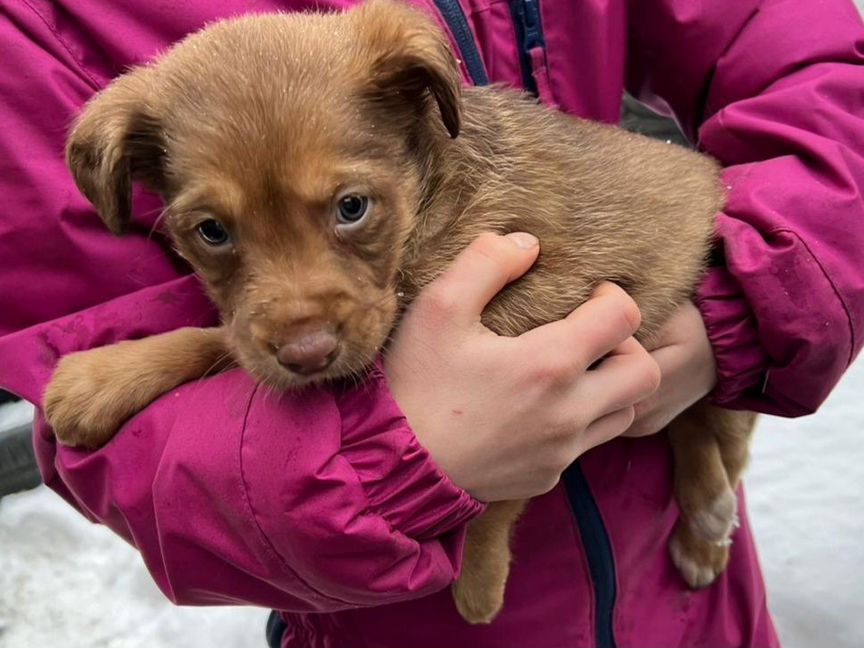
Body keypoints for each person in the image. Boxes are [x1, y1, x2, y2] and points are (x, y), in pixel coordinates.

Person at [1, 0, 862, 646]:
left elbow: (810, 65)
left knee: (707, 429)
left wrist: (735, 312)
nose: (304, 332)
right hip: (386, 619)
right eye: (213, 232)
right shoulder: (37, 32)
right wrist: (403, 462)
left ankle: (710, 455)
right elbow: (113, 416)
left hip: (681, 609)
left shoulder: (421, 120)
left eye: (349, 208)